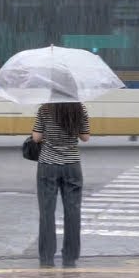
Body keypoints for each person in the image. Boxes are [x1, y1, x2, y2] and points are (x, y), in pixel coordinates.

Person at [32, 102, 90, 269]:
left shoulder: (44, 109)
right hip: (72, 165)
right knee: (72, 211)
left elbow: (36, 137)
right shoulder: (80, 108)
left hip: (48, 165)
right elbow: (85, 137)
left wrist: (48, 133)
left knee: (47, 212)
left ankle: (47, 257)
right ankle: (70, 256)